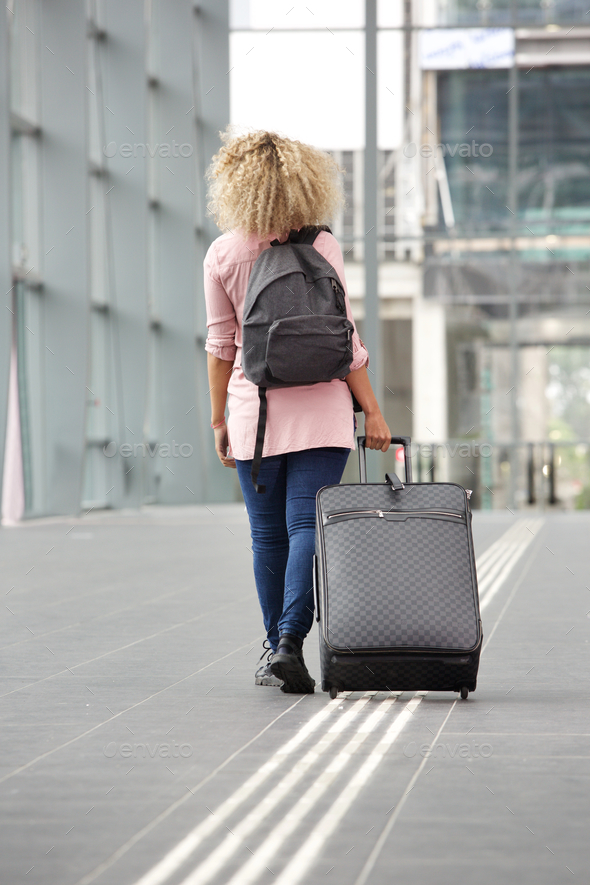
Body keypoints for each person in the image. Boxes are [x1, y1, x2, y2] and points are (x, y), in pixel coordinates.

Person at [204, 129, 391, 693]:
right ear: (302, 184)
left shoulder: (223, 253)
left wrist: (218, 421)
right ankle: (291, 639)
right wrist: (373, 412)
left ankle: (274, 649)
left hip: (254, 413)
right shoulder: (321, 244)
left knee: (267, 536)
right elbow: (346, 338)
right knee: (306, 523)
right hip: (323, 410)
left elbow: (221, 346)